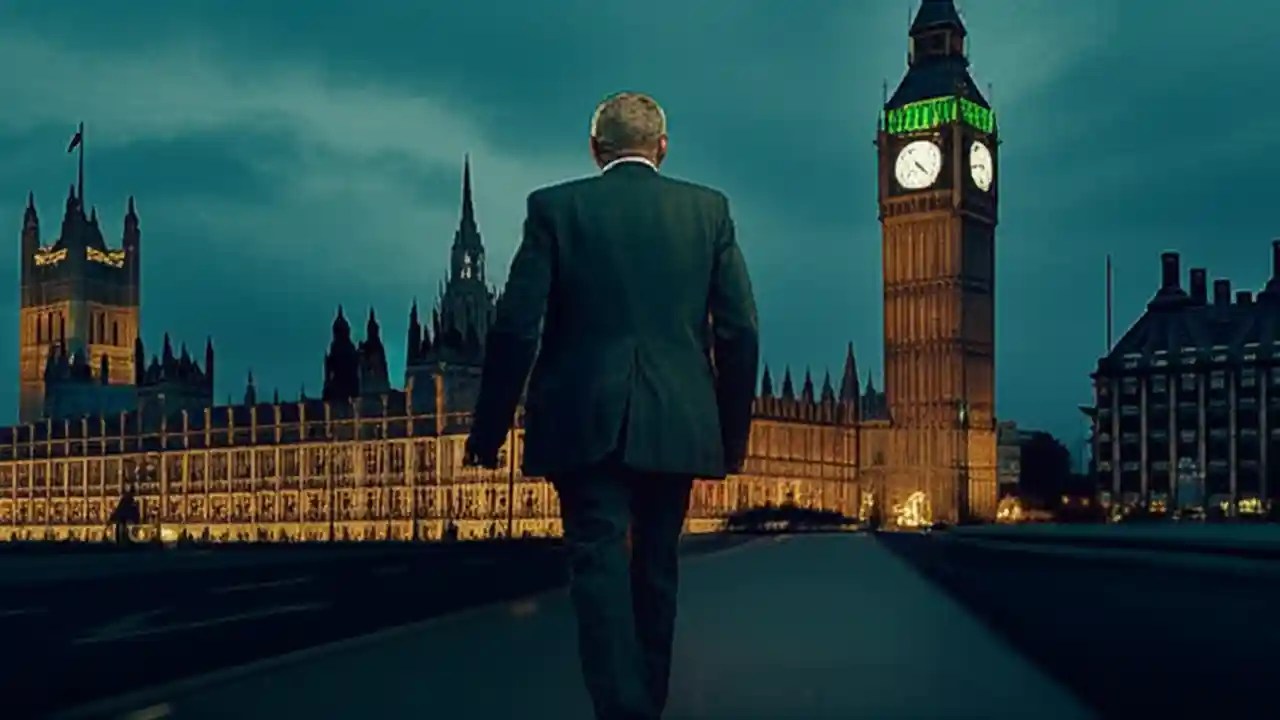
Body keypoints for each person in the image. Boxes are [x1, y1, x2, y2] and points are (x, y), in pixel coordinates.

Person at [463, 91, 759, 720]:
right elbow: (740, 332)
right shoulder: (709, 212)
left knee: (598, 568)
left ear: (595, 149)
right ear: (662, 147)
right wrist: (730, 440)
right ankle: (643, 706)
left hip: (582, 420)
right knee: (657, 570)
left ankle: (623, 711)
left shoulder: (554, 209)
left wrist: (488, 432)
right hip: (679, 423)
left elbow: (515, 328)